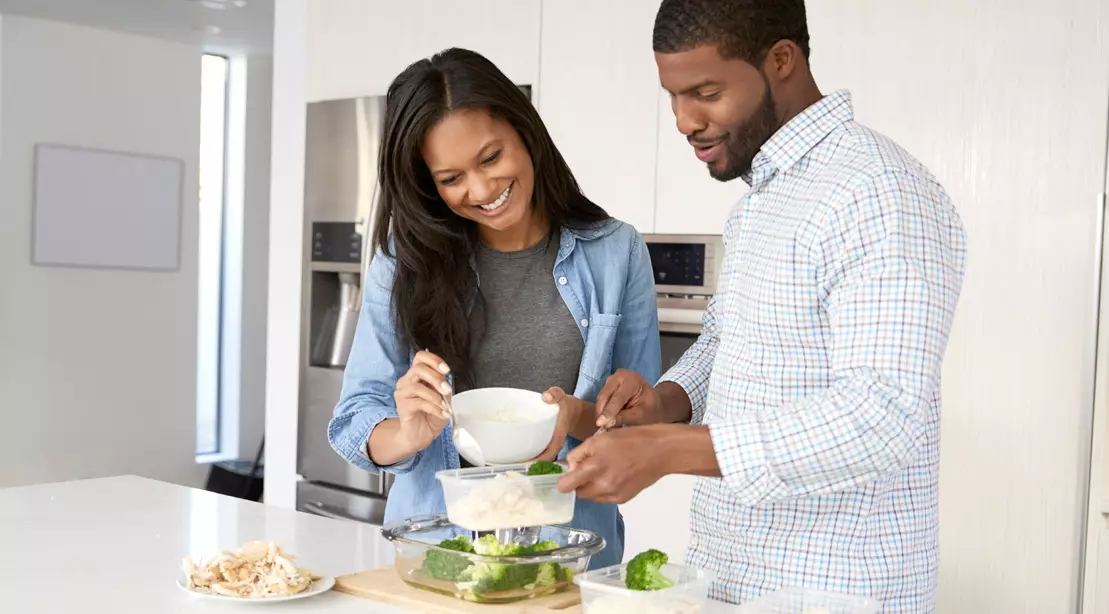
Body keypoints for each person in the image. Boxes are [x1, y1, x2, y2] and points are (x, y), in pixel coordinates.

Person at [556, 0, 967, 610]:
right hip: (732, 578)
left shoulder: (878, 192)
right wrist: (665, 403)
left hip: (830, 591)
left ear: (780, 60)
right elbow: (728, 341)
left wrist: (668, 450)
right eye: (673, 96)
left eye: (705, 91)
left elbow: (882, 417)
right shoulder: (757, 204)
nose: (684, 120)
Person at [327, 47, 660, 569]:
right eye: (451, 178)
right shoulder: (404, 262)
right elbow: (353, 422)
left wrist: (577, 416)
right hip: (438, 558)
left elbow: (644, 426)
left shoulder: (616, 253)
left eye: (490, 158)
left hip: (571, 561)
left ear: (524, 131)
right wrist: (407, 433)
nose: (481, 190)